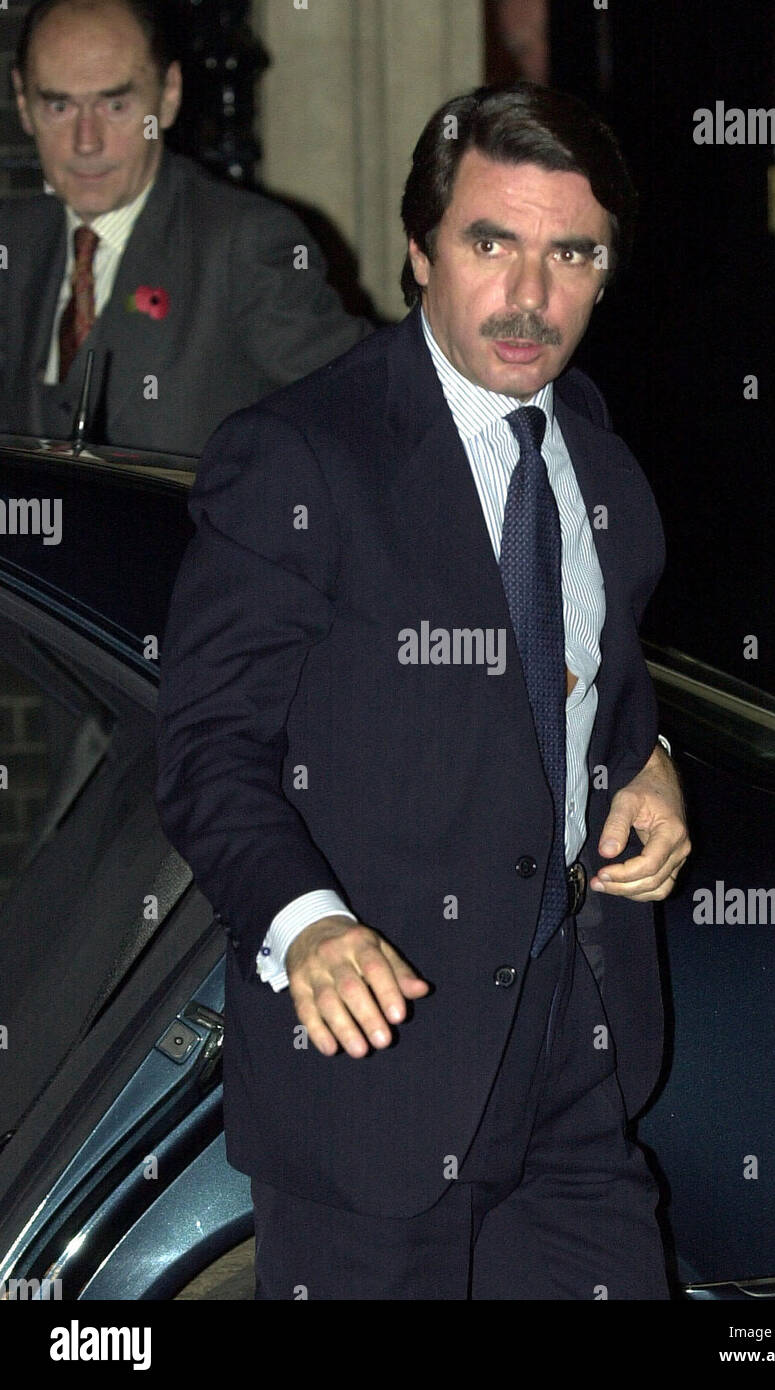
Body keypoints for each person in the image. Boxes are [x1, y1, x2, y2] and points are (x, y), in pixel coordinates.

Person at [154, 80, 691, 1300]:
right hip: (375, 1080)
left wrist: (647, 760)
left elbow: (590, 684)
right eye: (489, 242)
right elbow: (206, 747)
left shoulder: (596, 452)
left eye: (571, 254)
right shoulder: (302, 454)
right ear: (418, 251)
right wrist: (308, 925)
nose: (529, 296)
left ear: (605, 269)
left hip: (574, 1057)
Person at [0, 0, 369, 456]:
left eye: (115, 105)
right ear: (22, 102)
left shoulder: (242, 244)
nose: (87, 141)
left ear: (169, 95)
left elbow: (371, 412)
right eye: (59, 106)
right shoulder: (12, 243)